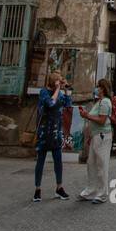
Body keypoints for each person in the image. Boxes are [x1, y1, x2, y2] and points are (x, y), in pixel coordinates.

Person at [33, 70, 73, 202]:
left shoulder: (60, 93)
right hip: (44, 132)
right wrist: (57, 90)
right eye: (59, 81)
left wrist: (66, 91)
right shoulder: (43, 92)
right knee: (41, 161)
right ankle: (37, 189)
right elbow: (50, 103)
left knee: (58, 161)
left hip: (56, 132)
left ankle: (59, 187)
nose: (60, 84)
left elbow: (68, 105)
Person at [77, 78, 114, 204]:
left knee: (101, 164)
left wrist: (86, 115)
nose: (96, 89)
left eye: (98, 86)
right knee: (91, 163)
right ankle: (91, 190)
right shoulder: (100, 102)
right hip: (96, 135)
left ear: (103, 88)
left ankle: (102, 193)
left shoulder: (105, 102)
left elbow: (102, 120)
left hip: (102, 135)